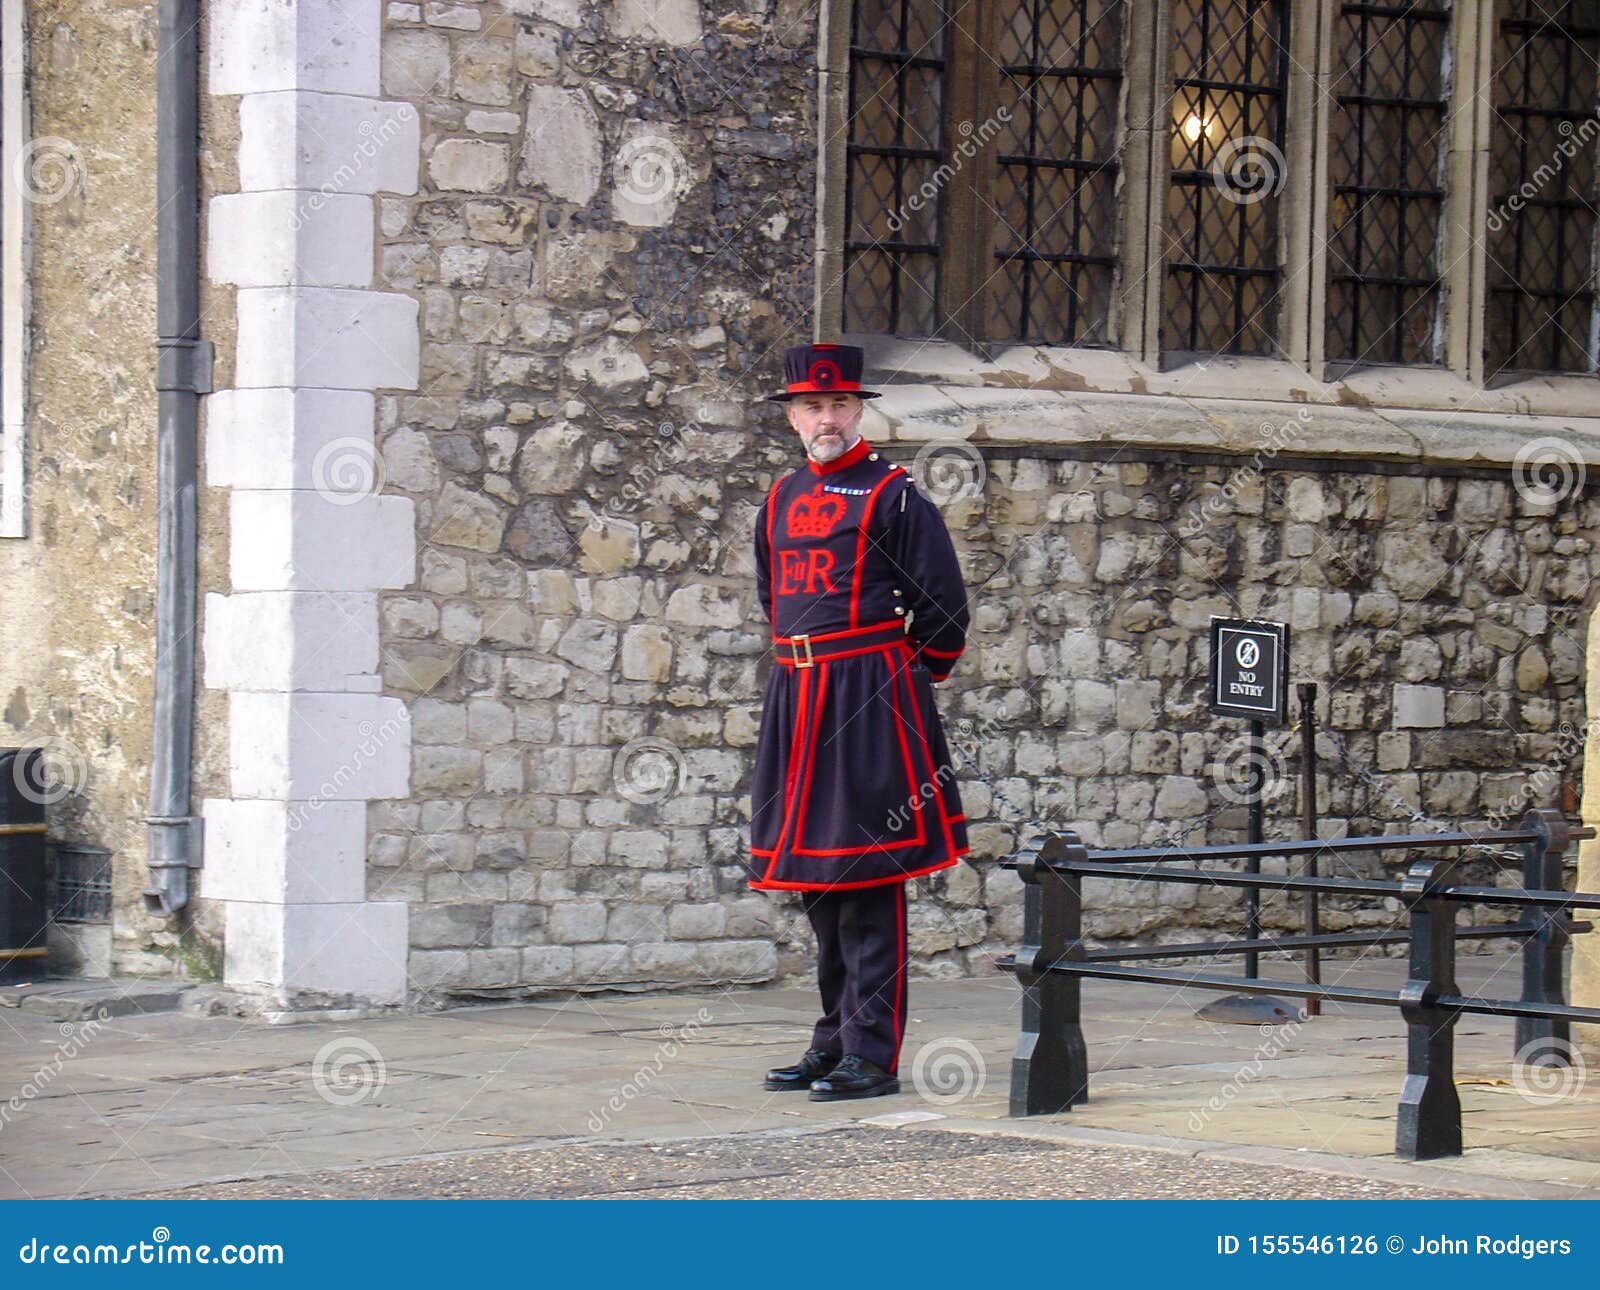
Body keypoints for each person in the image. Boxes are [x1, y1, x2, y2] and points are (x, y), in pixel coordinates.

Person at [749, 342, 971, 1101]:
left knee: (868, 879)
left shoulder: (895, 495)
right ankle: (832, 1040)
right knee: (818, 879)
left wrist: (901, 683)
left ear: (859, 410)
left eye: (840, 404)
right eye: (812, 406)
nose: (826, 418)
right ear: (792, 417)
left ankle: (870, 1053)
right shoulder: (778, 499)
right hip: (798, 699)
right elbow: (770, 598)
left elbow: (943, 610)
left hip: (871, 698)